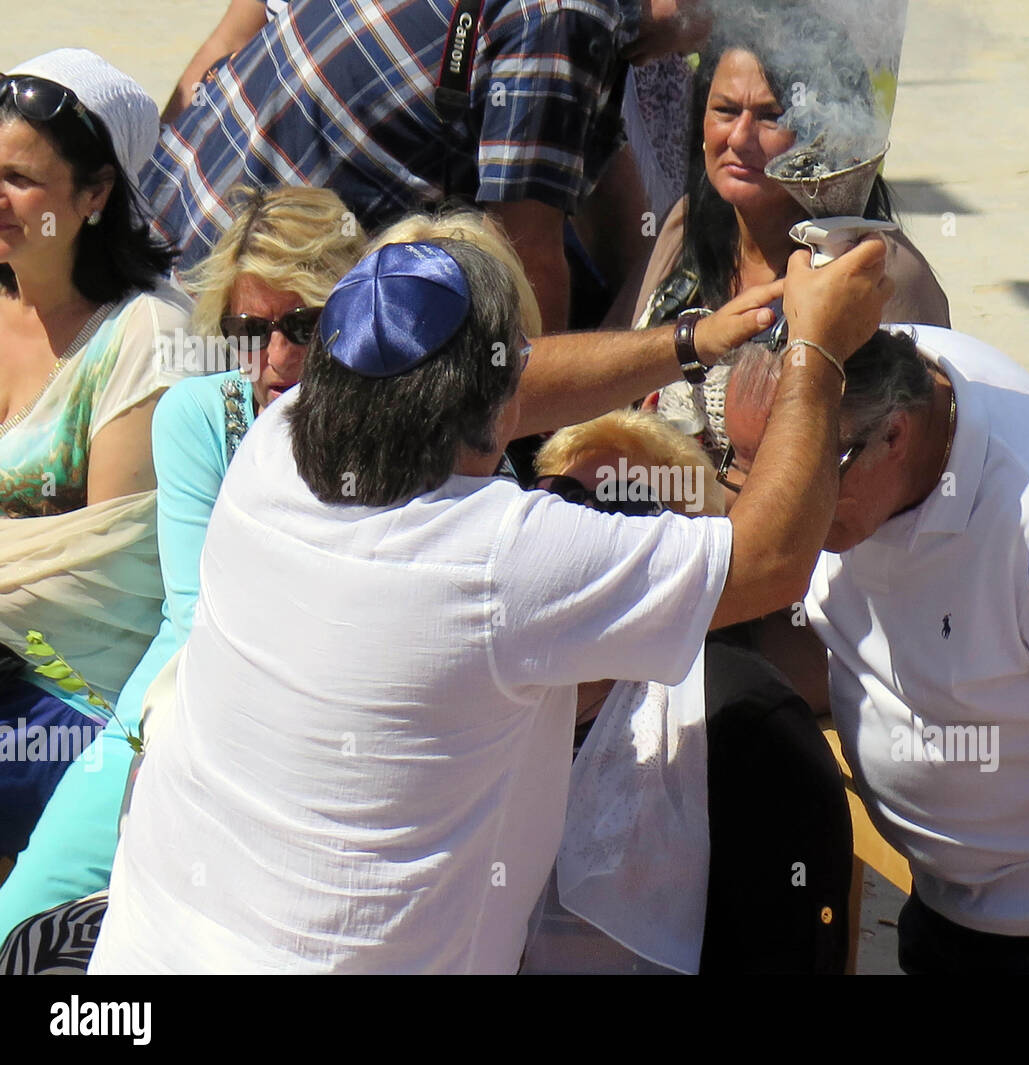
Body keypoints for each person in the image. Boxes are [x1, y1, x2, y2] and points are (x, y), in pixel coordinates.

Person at [87, 226, 889, 974]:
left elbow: (505, 379)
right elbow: (772, 558)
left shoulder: (274, 449)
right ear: (492, 406)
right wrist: (817, 349)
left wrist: (690, 342)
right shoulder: (502, 559)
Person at [720, 323, 1029, 975]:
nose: (769, 509)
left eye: (793, 476)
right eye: (743, 465)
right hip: (944, 907)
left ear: (893, 438)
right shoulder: (867, 397)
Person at [0, 186, 366, 940]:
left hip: (331, 726)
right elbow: (198, 614)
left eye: (302, 326)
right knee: (28, 909)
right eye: (246, 329)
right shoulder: (200, 413)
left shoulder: (388, 432)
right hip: (175, 696)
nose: (274, 360)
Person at [145, 0, 711, 330]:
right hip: (219, 304)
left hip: (148, 223)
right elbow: (525, 259)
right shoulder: (565, 15)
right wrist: (565, 428)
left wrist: (641, 294)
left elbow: (591, 182)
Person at [524, 408, 852, 973]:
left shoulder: (746, 724)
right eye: (562, 499)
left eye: (622, 503)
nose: (586, 527)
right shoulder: (491, 682)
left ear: (690, 553)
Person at [0, 49, 189, 877]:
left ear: (97, 195)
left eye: (19, 179)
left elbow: (104, 585)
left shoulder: (145, 340)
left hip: (68, 699)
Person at [630, 27, 950, 458]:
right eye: (725, 110)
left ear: (830, 136)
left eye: (772, 116)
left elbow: (909, 460)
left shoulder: (879, 273)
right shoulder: (683, 226)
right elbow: (620, 381)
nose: (740, 139)